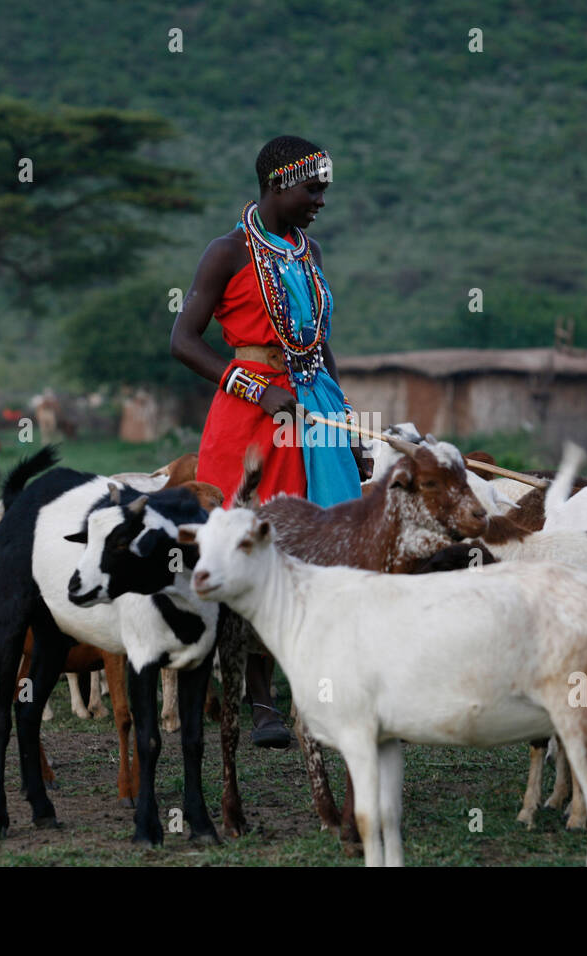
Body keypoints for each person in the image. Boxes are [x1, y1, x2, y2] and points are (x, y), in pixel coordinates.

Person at [171, 136, 369, 747]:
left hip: (314, 412)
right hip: (253, 419)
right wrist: (256, 390)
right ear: (279, 184)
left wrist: (347, 419)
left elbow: (317, 344)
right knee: (261, 543)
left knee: (326, 541)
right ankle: (262, 702)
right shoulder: (226, 253)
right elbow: (183, 339)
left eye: (324, 190)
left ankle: (330, 688)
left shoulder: (306, 253)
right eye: (313, 189)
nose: (320, 201)